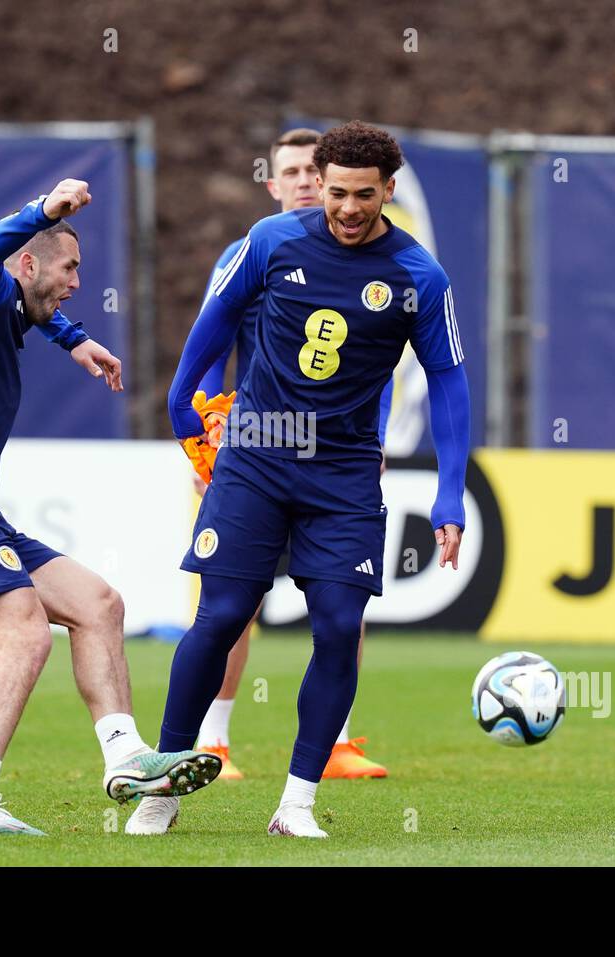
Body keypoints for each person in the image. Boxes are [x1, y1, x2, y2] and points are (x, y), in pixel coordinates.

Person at [134, 121, 471, 837]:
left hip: (345, 473)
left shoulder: (418, 275)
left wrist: (448, 490)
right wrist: (179, 402)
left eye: (365, 196)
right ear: (319, 182)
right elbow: (216, 322)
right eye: (338, 192)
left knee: (340, 625)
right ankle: (162, 783)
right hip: (253, 459)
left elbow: (447, 380)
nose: (349, 208)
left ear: (387, 191)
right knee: (221, 615)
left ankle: (296, 803)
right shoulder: (270, 241)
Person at [0, 182, 221, 835]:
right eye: (69, 268)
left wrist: (72, 339)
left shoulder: (12, 307)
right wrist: (42, 212)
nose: (77, 282)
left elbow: (38, 307)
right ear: (27, 264)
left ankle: (126, 755)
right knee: (24, 632)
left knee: (98, 604)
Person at [192, 128, 390, 781]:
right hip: (252, 451)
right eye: (293, 172)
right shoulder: (259, 247)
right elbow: (211, 344)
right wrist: (199, 433)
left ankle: (332, 745)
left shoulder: (368, 260)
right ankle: (213, 742)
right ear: (273, 184)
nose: (306, 181)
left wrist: (377, 439)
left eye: (314, 169)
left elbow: (376, 367)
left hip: (335, 458)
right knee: (233, 601)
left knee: (343, 601)